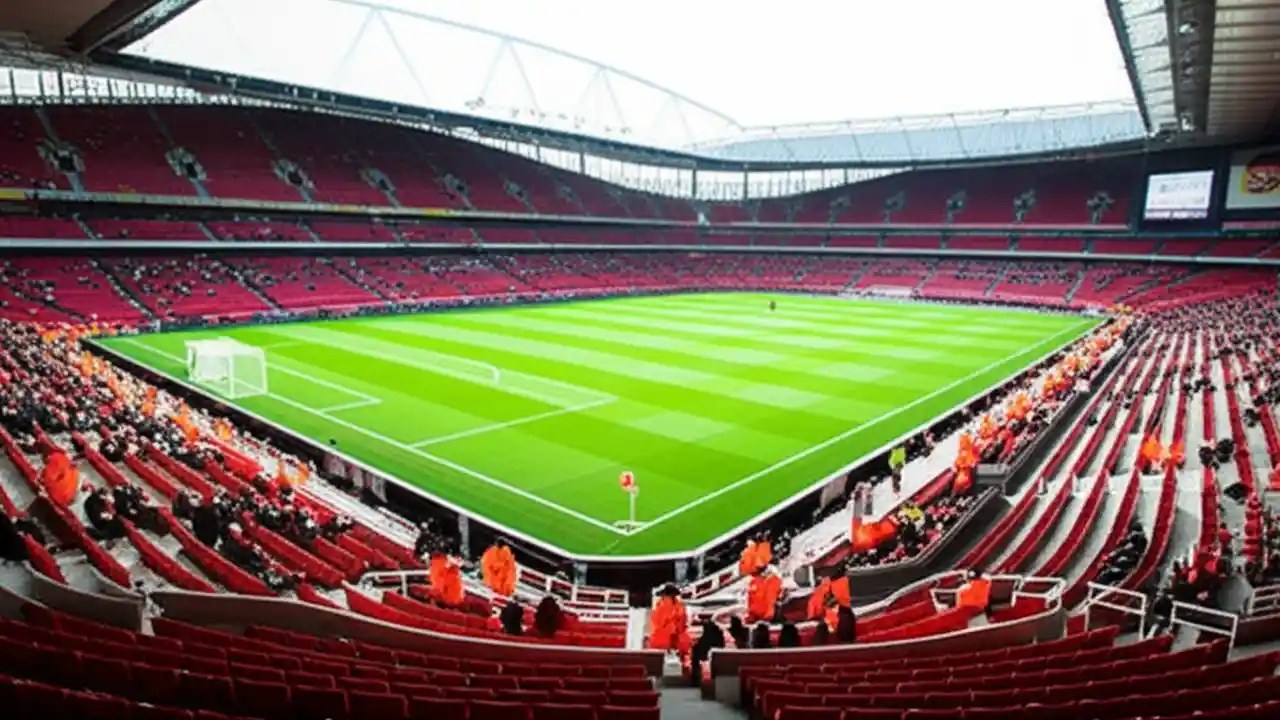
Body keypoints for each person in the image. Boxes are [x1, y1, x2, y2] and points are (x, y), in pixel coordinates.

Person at [648, 584, 690, 653]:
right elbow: (681, 626)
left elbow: (681, 626)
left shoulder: (659, 606)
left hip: (663, 642)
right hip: (669, 642)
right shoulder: (679, 607)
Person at [689, 617, 725, 686]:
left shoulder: (712, 631)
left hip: (708, 650)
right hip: (714, 650)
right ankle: (697, 677)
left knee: (695, 653)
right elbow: (722, 644)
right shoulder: (718, 631)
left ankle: (695, 678)